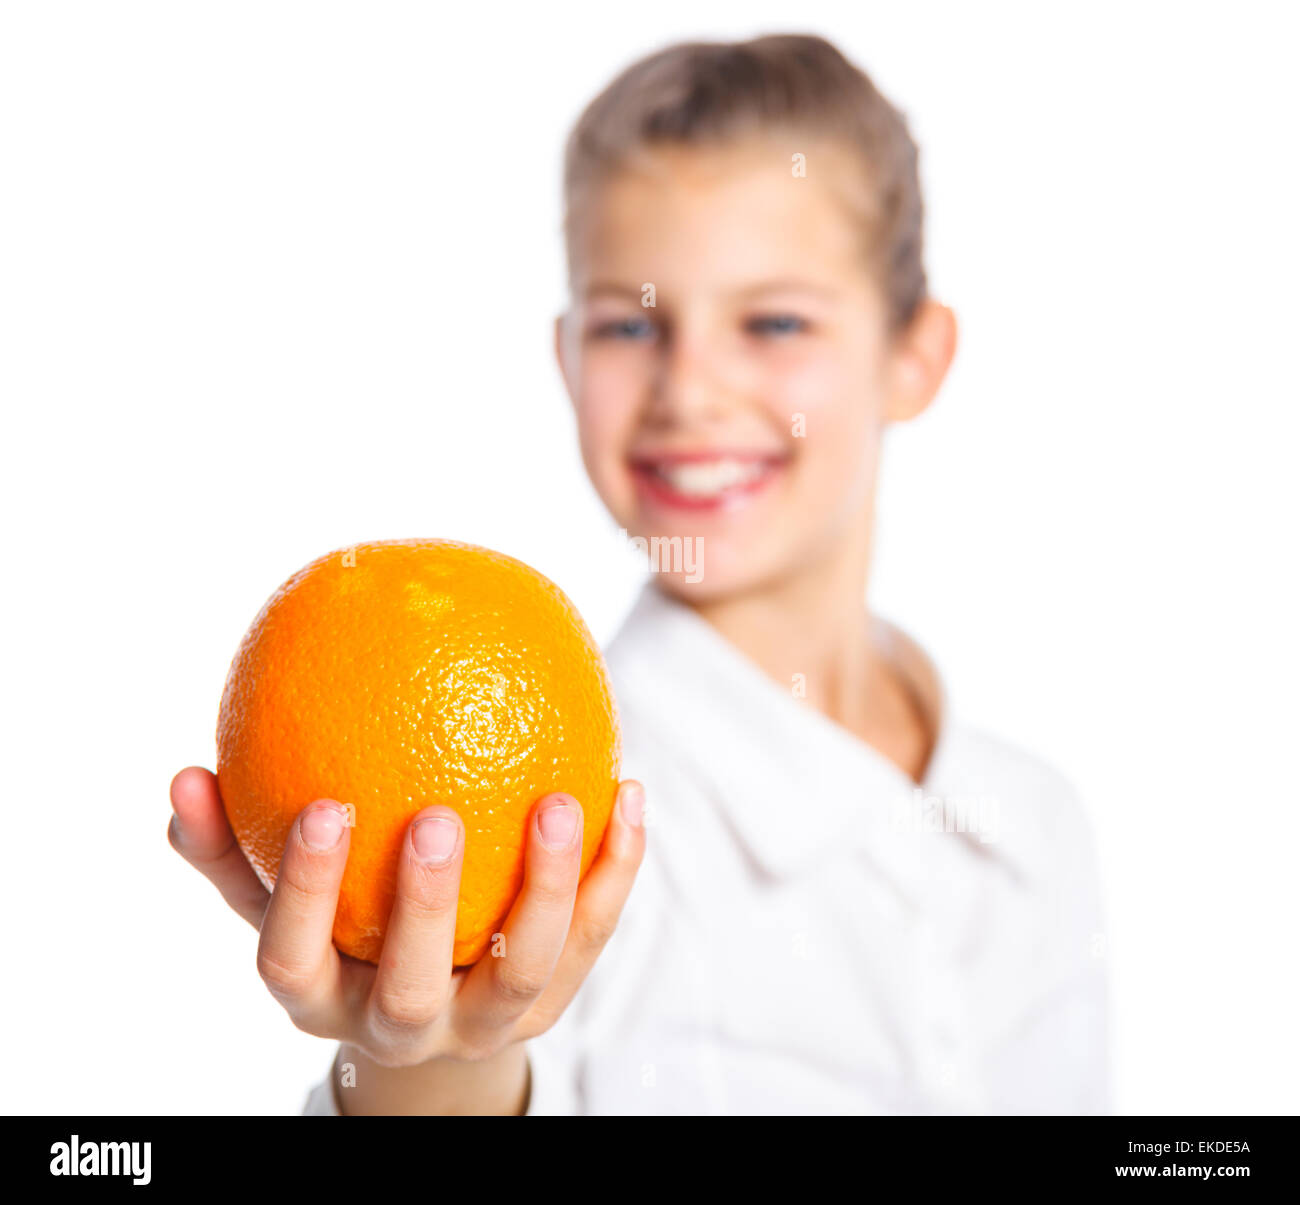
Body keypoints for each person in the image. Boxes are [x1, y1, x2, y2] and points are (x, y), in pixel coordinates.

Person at [170, 33, 1107, 1115]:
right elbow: (477, 1068)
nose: (689, 390)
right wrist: (426, 1058)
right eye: (630, 323)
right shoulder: (545, 823)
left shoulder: (1037, 818)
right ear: (567, 358)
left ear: (915, 357)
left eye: (774, 320)